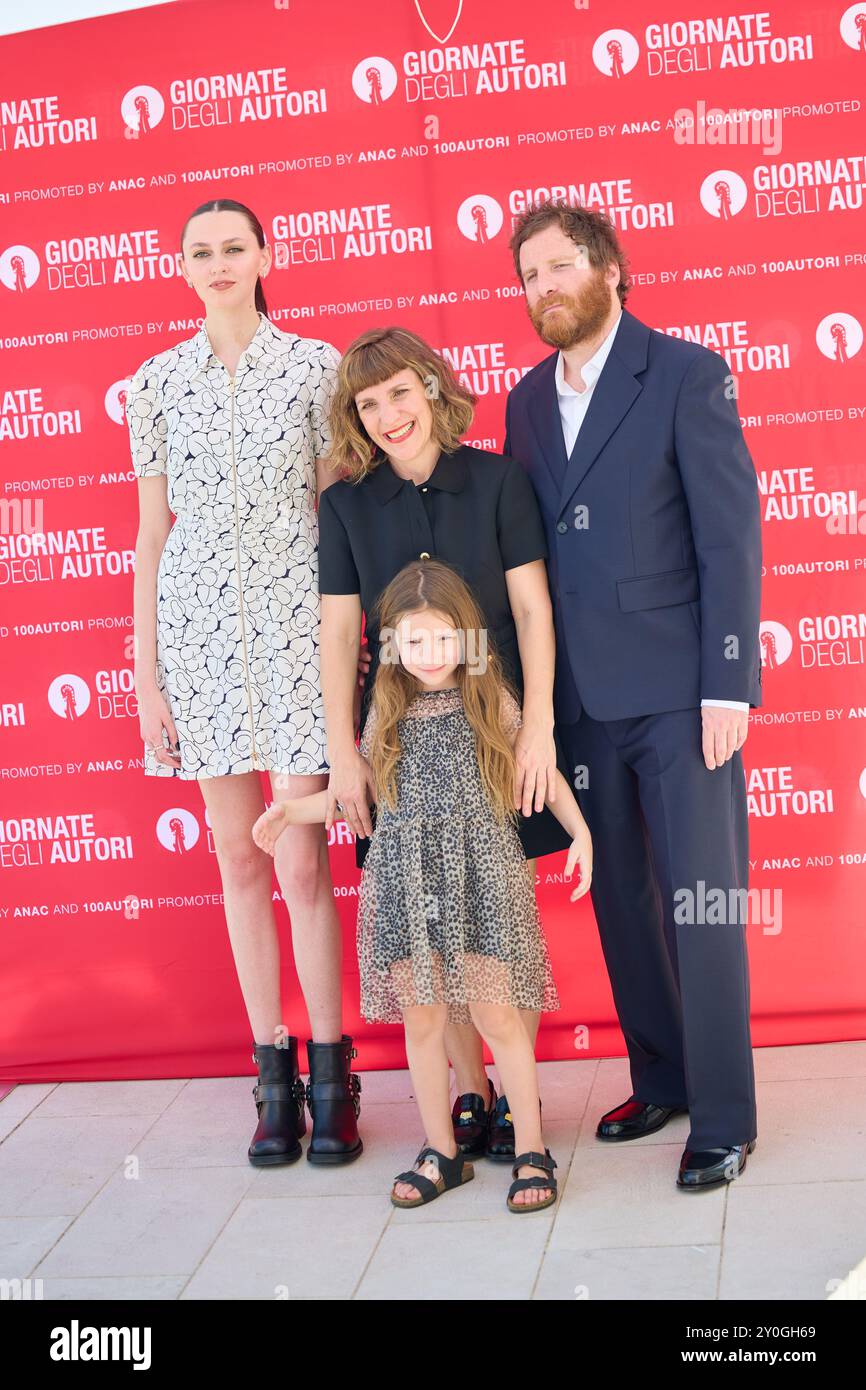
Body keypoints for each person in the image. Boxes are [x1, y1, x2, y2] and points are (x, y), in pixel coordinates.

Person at [503, 199, 763, 1190]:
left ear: (610, 268)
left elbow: (729, 534)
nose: (543, 286)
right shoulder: (525, 399)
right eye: (528, 274)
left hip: (677, 693)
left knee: (698, 902)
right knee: (619, 896)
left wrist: (726, 681)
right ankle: (660, 1073)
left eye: (559, 265)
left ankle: (725, 1117)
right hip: (574, 698)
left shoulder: (685, 373)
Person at [127, 197, 361, 1170]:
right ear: (180, 268)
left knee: (303, 862)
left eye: (233, 248)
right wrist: (149, 677)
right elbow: (152, 536)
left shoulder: (314, 368)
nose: (218, 264)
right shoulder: (154, 383)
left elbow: (334, 510)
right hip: (201, 640)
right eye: (200, 252)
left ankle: (331, 1073)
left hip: (299, 636)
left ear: (265, 255)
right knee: (236, 858)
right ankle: (268, 1072)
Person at [252, 559, 593, 1211]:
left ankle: (530, 1147)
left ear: (465, 637)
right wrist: (294, 810)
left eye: (441, 638)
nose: (428, 654)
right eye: (412, 641)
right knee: (424, 1019)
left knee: (497, 1014)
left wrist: (579, 832)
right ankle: (441, 1150)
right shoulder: (386, 706)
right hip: (406, 878)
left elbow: (538, 773)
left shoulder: (489, 697)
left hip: (481, 874)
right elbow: (362, 795)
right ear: (391, 646)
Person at [315, 325, 576, 1162]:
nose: (389, 414)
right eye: (369, 402)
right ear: (356, 418)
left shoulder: (498, 481)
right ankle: (472, 1094)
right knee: (432, 934)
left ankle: (514, 1097)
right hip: (401, 756)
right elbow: (338, 634)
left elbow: (532, 611)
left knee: (493, 929)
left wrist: (537, 727)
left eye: (400, 392)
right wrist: (344, 755)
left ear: (430, 387)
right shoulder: (348, 507)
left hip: (500, 746)